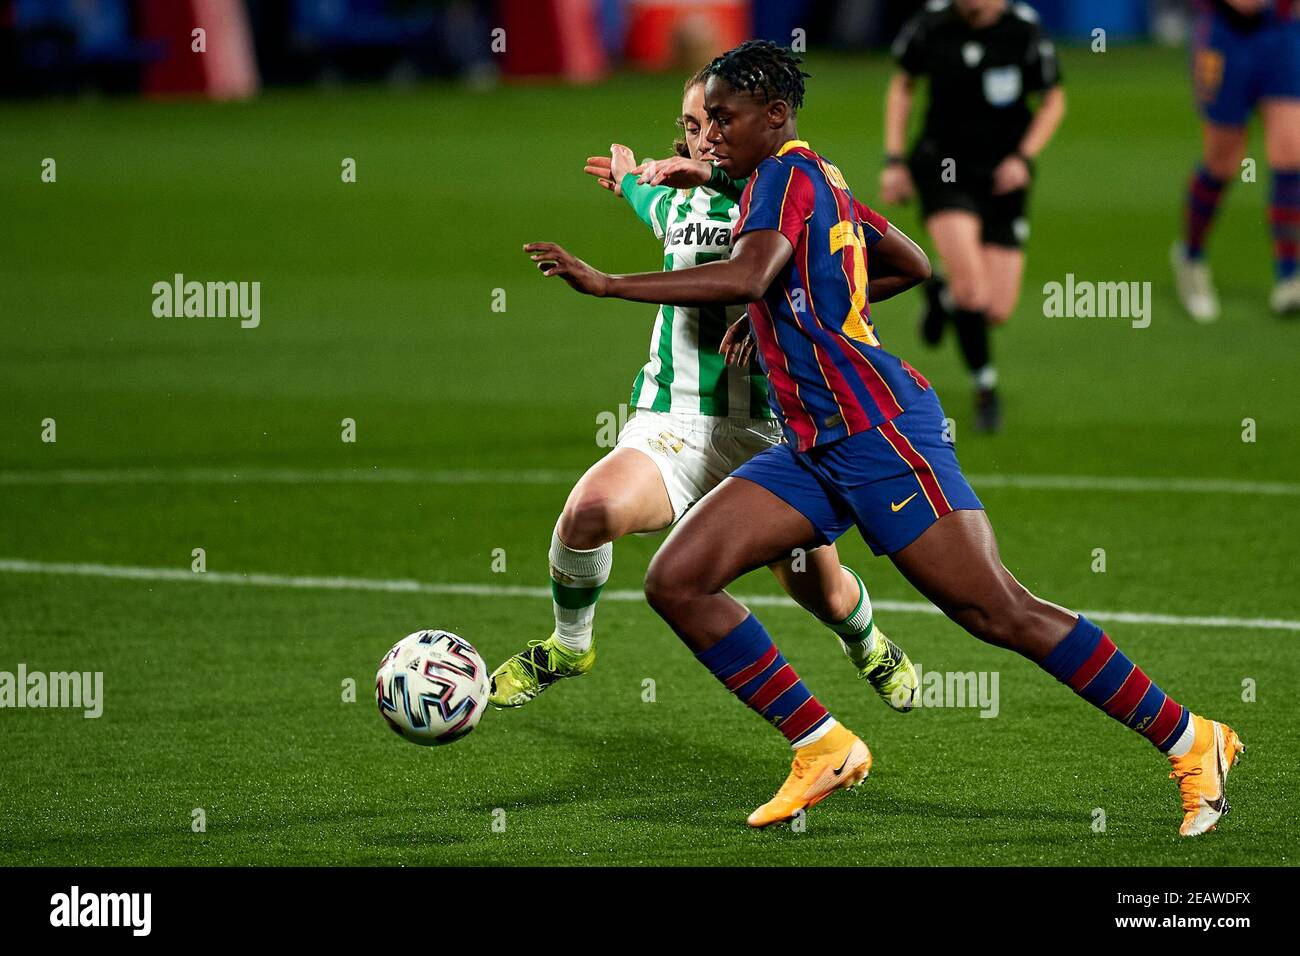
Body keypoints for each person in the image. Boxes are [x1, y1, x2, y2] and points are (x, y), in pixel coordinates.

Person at [523, 40, 1243, 835]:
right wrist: (787, 308)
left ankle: (1190, 736)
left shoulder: (786, 178)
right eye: (706, 122)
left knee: (997, 610)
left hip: (878, 434)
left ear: (775, 116)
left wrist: (611, 283)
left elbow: (749, 273)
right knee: (679, 579)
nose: (710, 135)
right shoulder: (802, 175)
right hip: (811, 443)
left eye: (724, 120)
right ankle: (820, 743)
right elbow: (908, 260)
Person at [490, 67, 919, 716]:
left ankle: (867, 643)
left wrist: (784, 313)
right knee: (588, 513)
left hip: (775, 432)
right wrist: (630, 177)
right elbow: (644, 195)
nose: (704, 139)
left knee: (819, 590)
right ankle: (570, 644)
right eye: (692, 126)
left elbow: (886, 269)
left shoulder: (796, 198)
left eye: (717, 122)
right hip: (676, 420)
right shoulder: (677, 202)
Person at [880, 0, 1065, 432]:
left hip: (1004, 177)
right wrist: (894, 159)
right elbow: (903, 85)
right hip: (944, 170)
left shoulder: (1024, 30)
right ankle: (986, 387)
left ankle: (941, 295)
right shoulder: (931, 24)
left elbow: (1053, 99)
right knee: (975, 293)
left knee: (997, 308)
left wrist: (1024, 157)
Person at [1172, 0, 1300, 320]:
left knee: (1291, 153)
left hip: (1281, 33)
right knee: (1223, 162)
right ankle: (1190, 257)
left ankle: (1289, 276)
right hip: (1227, 36)